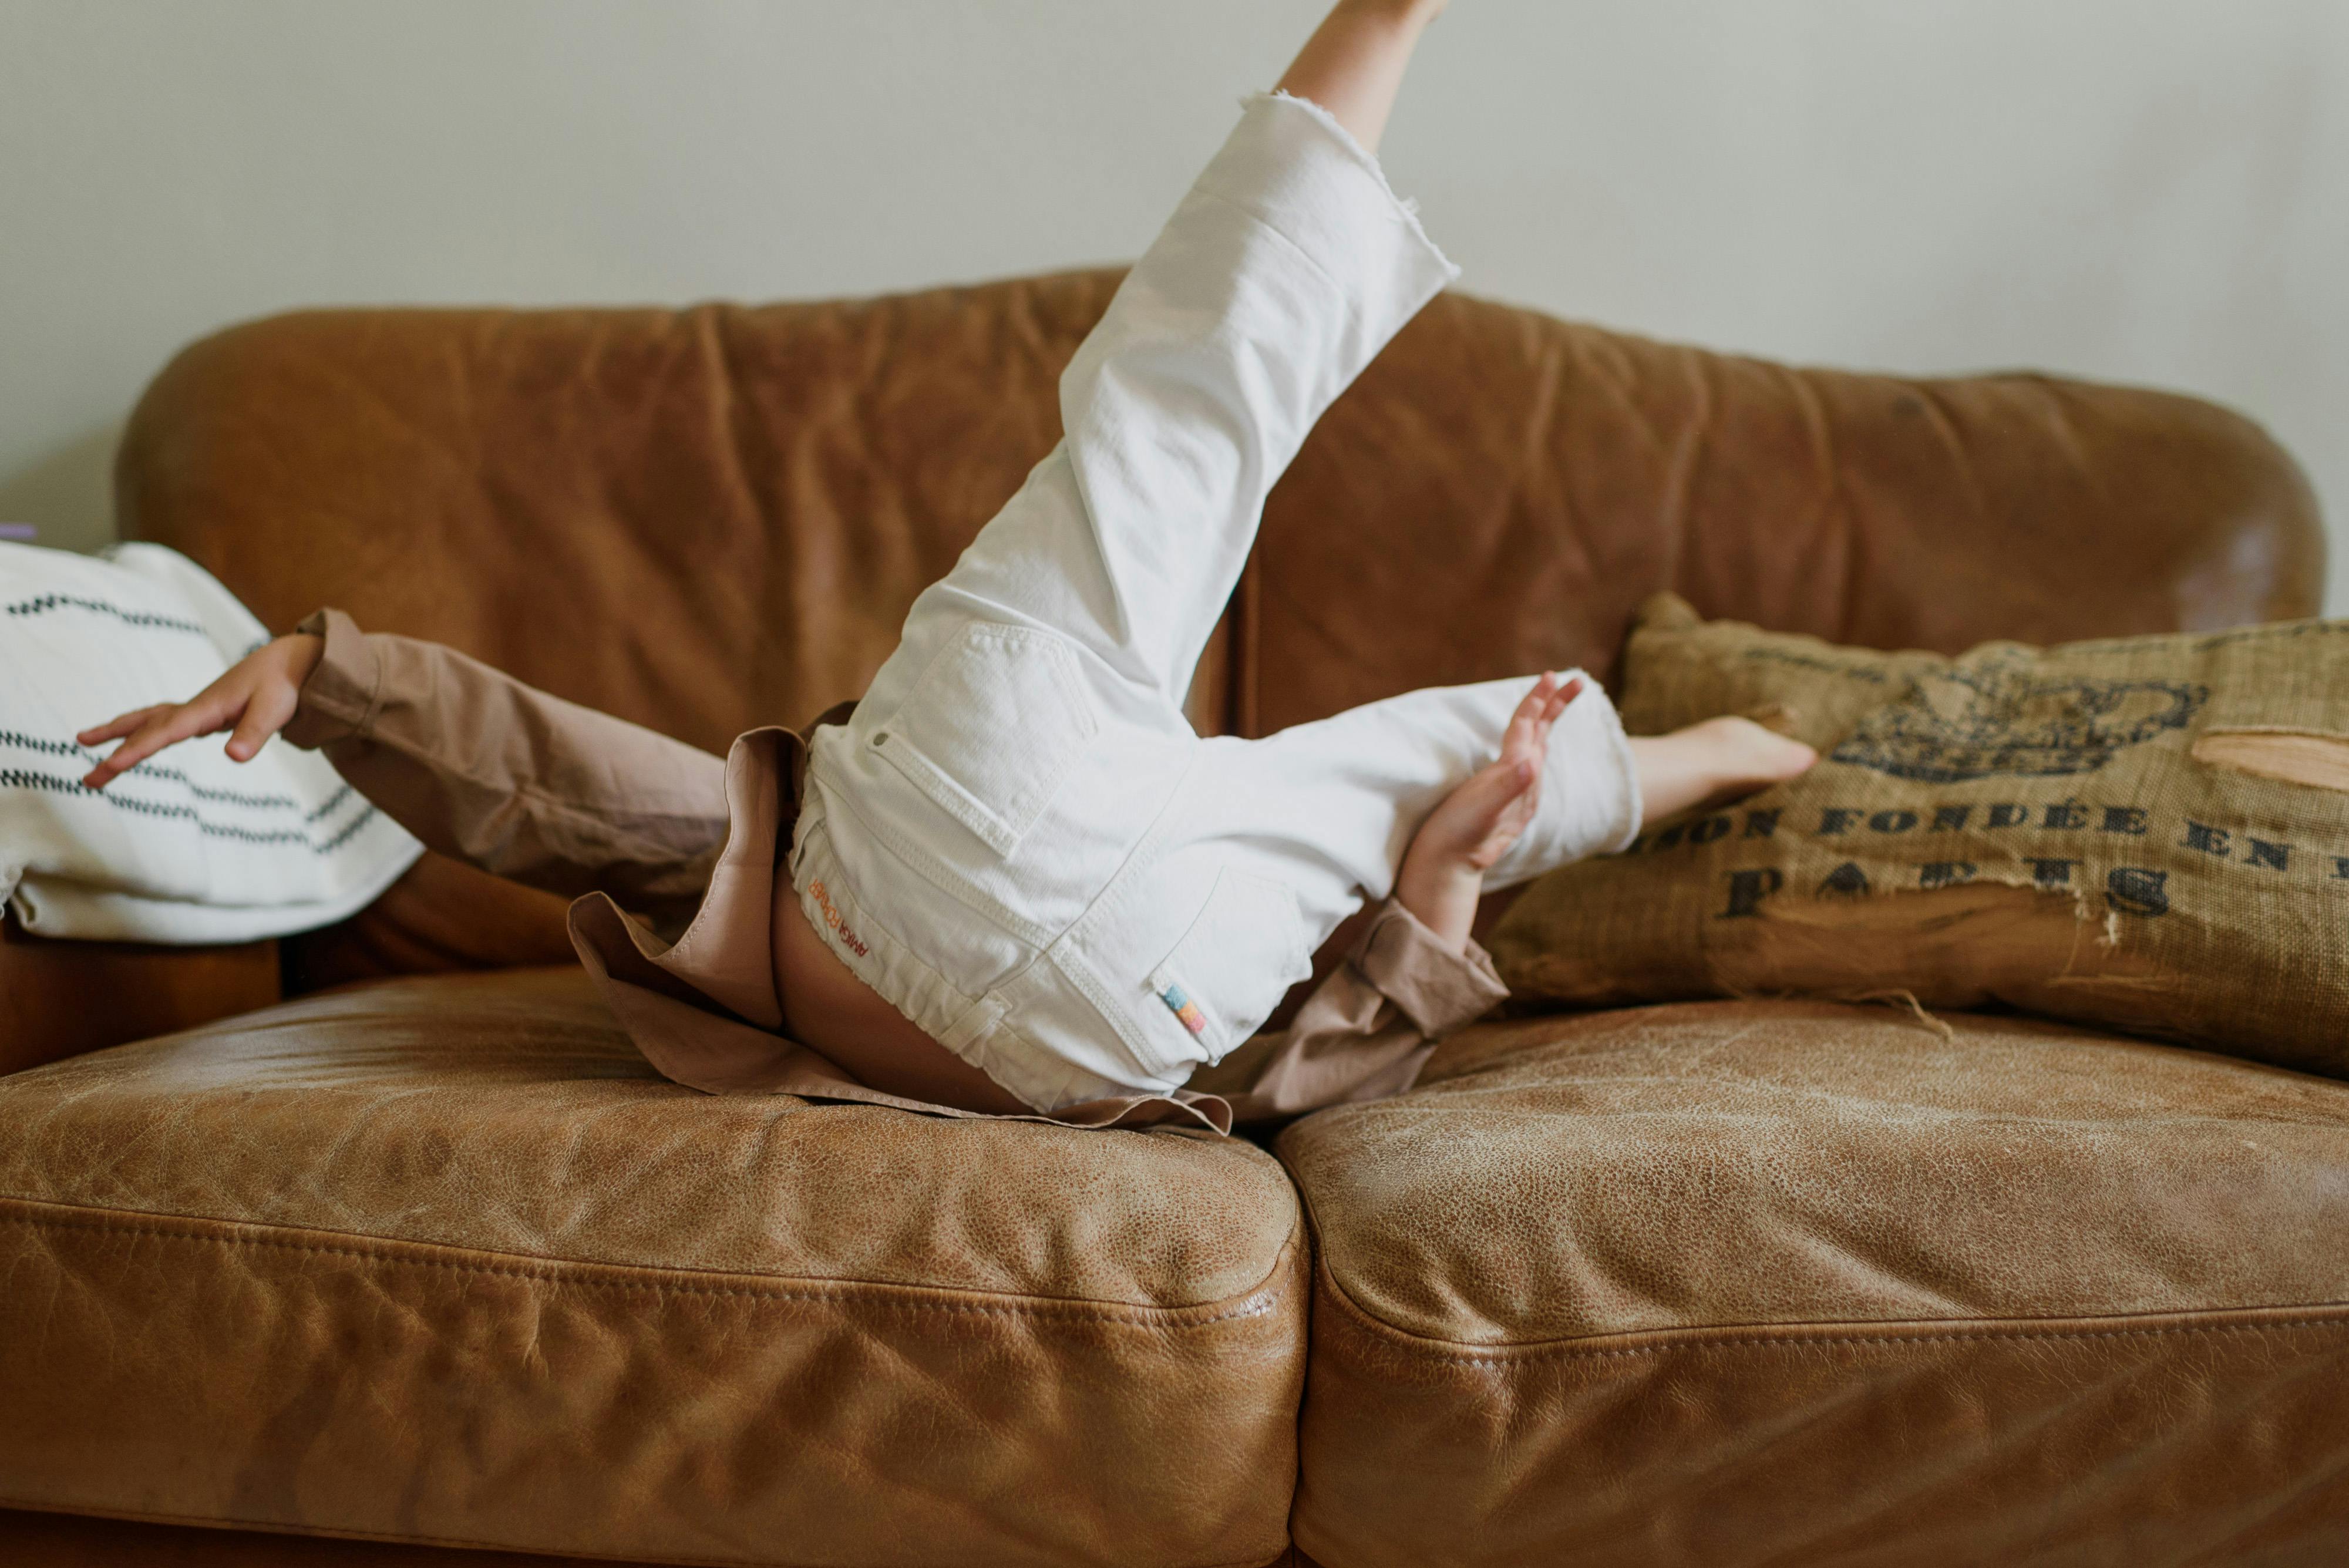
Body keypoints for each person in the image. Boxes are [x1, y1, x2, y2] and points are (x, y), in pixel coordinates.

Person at [79, 0, 1815, 1133]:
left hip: (1049, 976)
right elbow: (572, 789)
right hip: (1071, 911)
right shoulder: (847, 845)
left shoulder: (785, 882)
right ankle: (1712, 754)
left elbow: (557, 797)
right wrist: (1439, 892)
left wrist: (331, 679)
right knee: (1221, 479)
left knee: (1226, 489)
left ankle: (1690, 756)